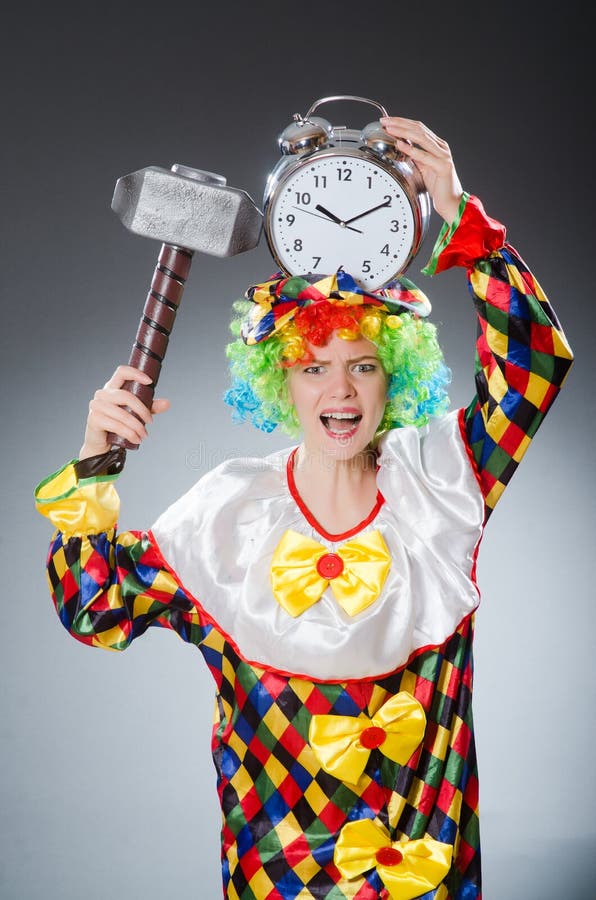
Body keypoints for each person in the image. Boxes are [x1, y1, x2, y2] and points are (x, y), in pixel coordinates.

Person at [35, 117, 573, 900]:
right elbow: (94, 608)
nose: (341, 391)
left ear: (396, 379)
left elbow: (533, 364)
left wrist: (466, 225)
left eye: (363, 366)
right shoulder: (228, 512)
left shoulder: (443, 483)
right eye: (314, 367)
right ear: (280, 382)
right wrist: (91, 458)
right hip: (274, 880)